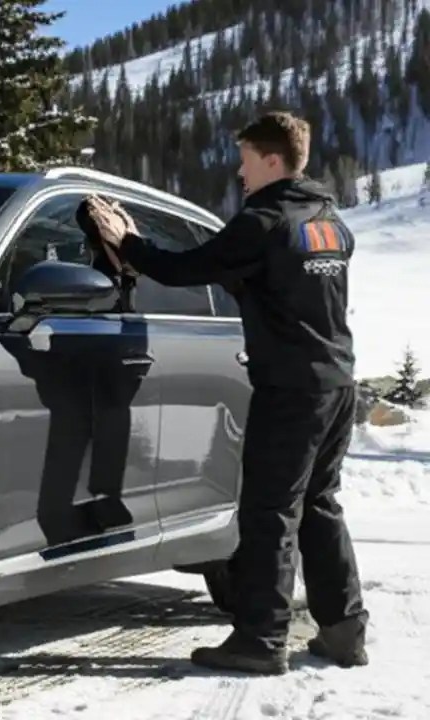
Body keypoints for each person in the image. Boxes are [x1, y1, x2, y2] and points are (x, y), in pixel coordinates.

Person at [84, 111, 369, 676]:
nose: (238, 171)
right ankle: (344, 631)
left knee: (269, 513)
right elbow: (282, 283)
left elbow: (187, 266)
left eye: (244, 159)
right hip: (337, 383)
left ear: (270, 159)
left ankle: (260, 641)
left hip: (289, 390)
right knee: (319, 504)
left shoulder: (262, 221)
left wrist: (127, 242)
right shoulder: (329, 220)